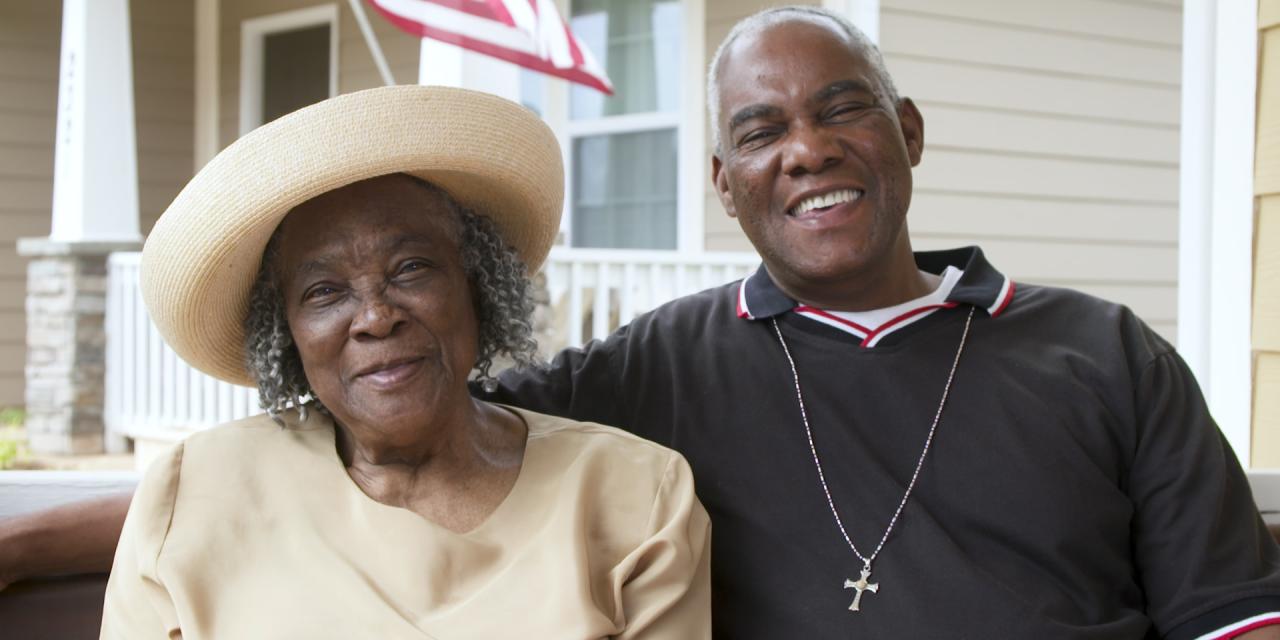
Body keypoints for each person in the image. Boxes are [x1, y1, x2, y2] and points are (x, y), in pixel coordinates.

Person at [1, 5, 1277, 639]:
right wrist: (27, 538)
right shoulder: (666, 364)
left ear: (906, 132)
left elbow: (1234, 619)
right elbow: (395, 429)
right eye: (759, 131)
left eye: (841, 109)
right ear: (723, 183)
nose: (805, 150)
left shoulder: (1102, 353)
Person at [96, 85, 710, 638]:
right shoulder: (193, 490)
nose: (375, 316)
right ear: (286, 333)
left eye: (411, 268)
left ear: (477, 288)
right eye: (324, 292)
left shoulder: (635, 497)